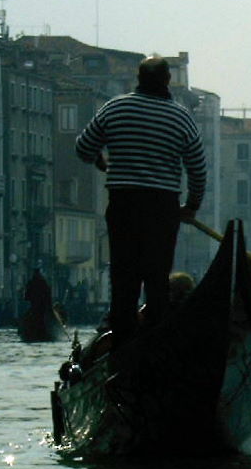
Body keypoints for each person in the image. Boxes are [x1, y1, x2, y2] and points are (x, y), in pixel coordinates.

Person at [75, 54, 207, 350]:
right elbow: (198, 168)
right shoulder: (180, 116)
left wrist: (100, 159)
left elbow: (83, 148)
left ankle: (123, 346)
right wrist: (192, 207)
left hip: (123, 203)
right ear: (167, 80)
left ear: (138, 78)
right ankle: (156, 345)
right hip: (163, 206)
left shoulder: (116, 107)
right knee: (157, 278)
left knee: (124, 277)